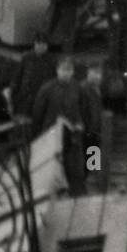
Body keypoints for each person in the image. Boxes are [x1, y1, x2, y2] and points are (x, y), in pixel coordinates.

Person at [32, 57, 87, 196]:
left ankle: (74, 193)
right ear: (57, 70)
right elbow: (38, 111)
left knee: (73, 166)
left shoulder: (78, 87)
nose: (65, 73)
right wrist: (39, 133)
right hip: (51, 133)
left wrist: (80, 123)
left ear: (73, 72)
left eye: (69, 70)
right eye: (63, 69)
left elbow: (81, 108)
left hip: (71, 134)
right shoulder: (47, 88)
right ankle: (50, 194)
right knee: (51, 166)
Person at [8, 32, 56, 118]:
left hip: (42, 99)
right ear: (34, 44)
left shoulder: (52, 60)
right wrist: (12, 96)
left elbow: (54, 81)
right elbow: (17, 77)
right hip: (26, 98)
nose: (41, 46)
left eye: (43, 44)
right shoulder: (26, 57)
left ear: (47, 46)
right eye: (38, 43)